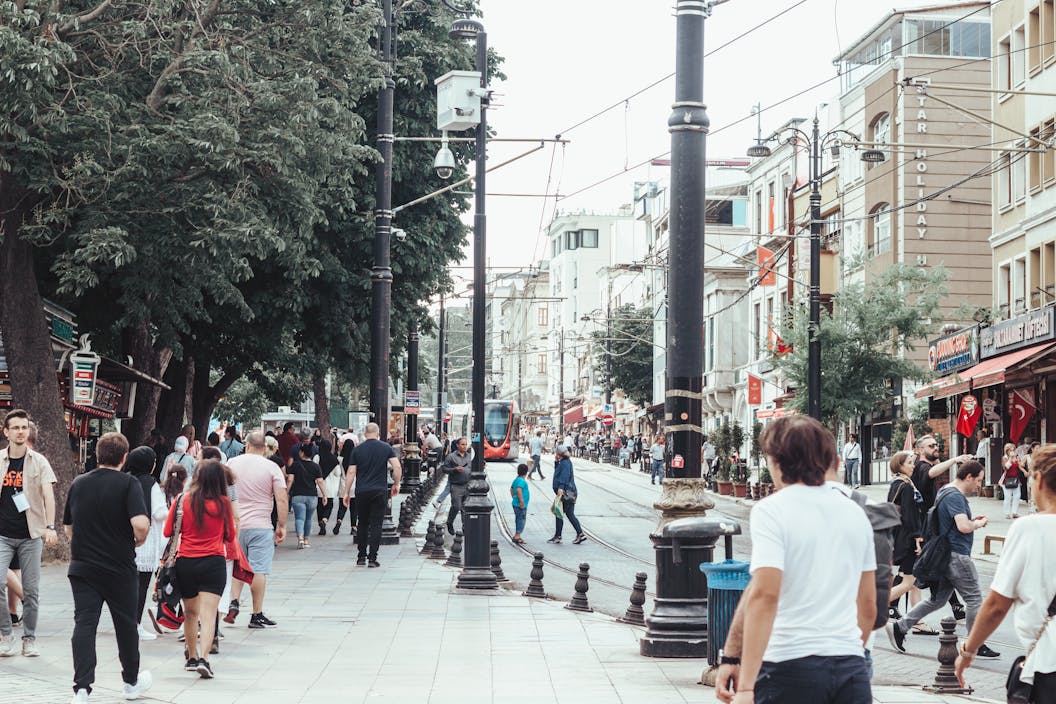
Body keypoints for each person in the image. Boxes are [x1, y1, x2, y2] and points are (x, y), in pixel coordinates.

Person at [715, 415, 875, 704]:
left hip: (789, 666)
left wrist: (747, 686)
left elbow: (764, 595)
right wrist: (847, 650)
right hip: (850, 668)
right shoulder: (856, 513)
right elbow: (867, 606)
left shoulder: (772, 511)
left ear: (777, 460)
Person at [954, 444, 1056, 699]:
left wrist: (968, 651)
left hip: (1048, 665)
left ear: (1040, 480)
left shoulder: (1030, 529)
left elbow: (997, 605)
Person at [62, 432, 152, 702]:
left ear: (97, 455)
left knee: (84, 624)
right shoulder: (129, 484)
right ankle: (131, 682)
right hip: (119, 567)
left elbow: (69, 528)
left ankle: (81, 687)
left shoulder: (78, 483)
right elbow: (140, 523)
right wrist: (139, 540)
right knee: (125, 625)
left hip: (83, 566)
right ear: (124, 458)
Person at [886, 460, 1000, 658]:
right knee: (974, 599)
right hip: (957, 555)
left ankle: (901, 626)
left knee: (936, 600)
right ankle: (976, 643)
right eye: (979, 480)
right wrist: (979, 524)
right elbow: (963, 526)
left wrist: (971, 522)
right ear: (969, 477)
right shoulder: (956, 497)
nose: (979, 485)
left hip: (944, 556)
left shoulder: (945, 490)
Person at [164, 460, 235, 679]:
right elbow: (230, 536)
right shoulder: (224, 503)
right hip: (214, 562)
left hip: (186, 562)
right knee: (208, 614)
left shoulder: (182, 500)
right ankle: (205, 658)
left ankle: (192, 657)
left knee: (191, 613)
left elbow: (168, 531)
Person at [0, 409, 58, 659]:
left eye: (24, 427)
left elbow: (48, 495)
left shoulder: (39, 461)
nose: (21, 431)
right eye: (16, 427)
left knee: (31, 590)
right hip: (2, 535)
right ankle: (5, 635)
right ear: (6, 432)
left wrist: (50, 526)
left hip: (30, 536)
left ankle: (29, 638)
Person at [224, 431, 288, 629]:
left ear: (247, 445)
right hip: (261, 526)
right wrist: (282, 525)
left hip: (236, 524)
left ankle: (233, 601)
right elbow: (281, 498)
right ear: (265, 448)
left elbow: (223, 493)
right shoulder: (272, 468)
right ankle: (257, 613)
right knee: (258, 569)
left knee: (236, 565)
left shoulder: (232, 464)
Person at [885, 450, 935, 633]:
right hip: (907, 539)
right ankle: (871, 608)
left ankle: (917, 622)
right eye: (910, 463)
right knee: (907, 582)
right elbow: (910, 516)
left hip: (899, 537)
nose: (913, 466)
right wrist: (917, 539)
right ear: (900, 466)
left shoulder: (898, 484)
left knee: (912, 583)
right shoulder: (905, 486)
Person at [342, 423, 402, 567]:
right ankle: (372, 558)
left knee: (362, 523)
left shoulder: (357, 450)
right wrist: (396, 484)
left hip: (362, 491)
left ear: (364, 434)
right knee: (376, 524)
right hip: (379, 490)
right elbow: (397, 466)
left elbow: (351, 472)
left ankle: (361, 556)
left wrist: (346, 492)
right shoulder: (386, 447)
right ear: (378, 433)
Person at [124, 446, 167, 641]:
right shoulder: (151, 483)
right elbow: (159, 513)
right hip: (145, 541)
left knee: (125, 587)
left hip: (124, 539)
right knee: (140, 587)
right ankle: (135, 624)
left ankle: (124, 623)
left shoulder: (124, 480)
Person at [288, 444, 326, 549]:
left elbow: (290, 479)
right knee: (308, 519)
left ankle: (300, 538)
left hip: (298, 494)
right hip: (312, 496)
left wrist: (287, 491)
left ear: (302, 453)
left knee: (299, 518)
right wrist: (324, 495)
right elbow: (320, 482)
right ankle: (306, 540)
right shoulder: (316, 466)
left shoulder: (295, 465)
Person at [549, 445, 585, 545]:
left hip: (566, 492)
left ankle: (558, 536)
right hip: (569, 492)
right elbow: (558, 473)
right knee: (569, 514)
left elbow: (564, 476)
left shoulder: (565, 463)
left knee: (559, 513)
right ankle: (580, 534)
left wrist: (561, 487)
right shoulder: (564, 462)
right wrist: (556, 462)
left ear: (559, 453)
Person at [441, 437, 472, 534]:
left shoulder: (470, 456)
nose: (464, 446)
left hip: (468, 485)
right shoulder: (451, 456)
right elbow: (444, 469)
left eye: (465, 444)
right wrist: (454, 469)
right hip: (456, 485)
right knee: (456, 506)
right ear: (458, 445)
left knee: (465, 507)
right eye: (462, 444)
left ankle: (465, 527)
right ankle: (450, 522)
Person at [315, 439, 342, 536]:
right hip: (330, 487)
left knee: (319, 506)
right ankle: (325, 520)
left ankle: (320, 523)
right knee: (329, 505)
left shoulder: (317, 457)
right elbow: (338, 473)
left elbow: (314, 469)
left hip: (318, 485)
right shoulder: (334, 459)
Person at [1002, 442, 1025, 519]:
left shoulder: (1016, 457)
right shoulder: (1005, 458)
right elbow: (1006, 467)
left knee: (1017, 496)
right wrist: (1010, 459)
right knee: (1008, 497)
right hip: (1007, 479)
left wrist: (1019, 461)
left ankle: (1014, 512)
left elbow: (1021, 466)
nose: (1012, 451)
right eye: (1011, 450)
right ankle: (1007, 513)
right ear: (1007, 450)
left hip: (1016, 479)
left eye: (1013, 449)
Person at [510, 464, 530, 544]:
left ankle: (517, 535)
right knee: (521, 519)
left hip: (516, 503)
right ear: (526, 472)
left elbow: (511, 489)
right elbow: (518, 490)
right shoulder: (522, 481)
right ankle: (517, 536)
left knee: (518, 518)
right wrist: (521, 501)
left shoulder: (516, 479)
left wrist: (514, 498)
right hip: (520, 505)